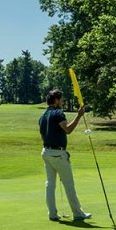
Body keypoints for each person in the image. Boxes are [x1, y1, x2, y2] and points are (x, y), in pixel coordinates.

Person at [39, 89, 91, 222]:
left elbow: (43, 135)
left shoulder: (42, 116)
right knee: (68, 184)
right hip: (58, 153)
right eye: (61, 99)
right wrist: (79, 115)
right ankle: (77, 213)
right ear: (56, 100)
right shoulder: (58, 113)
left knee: (50, 184)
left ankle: (52, 214)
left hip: (46, 152)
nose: (62, 102)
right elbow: (68, 129)